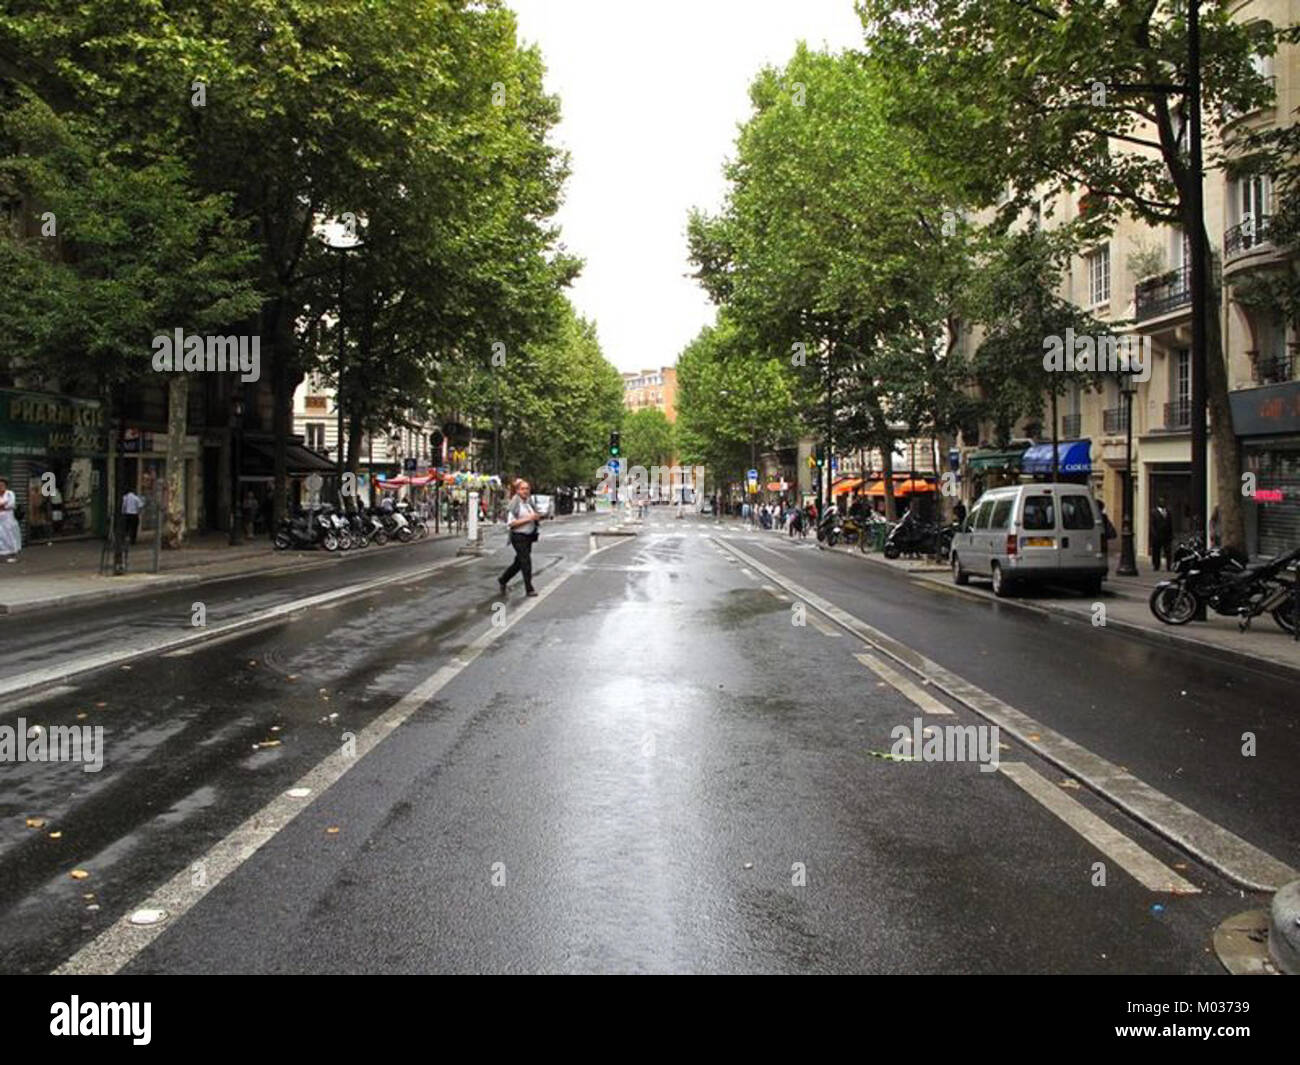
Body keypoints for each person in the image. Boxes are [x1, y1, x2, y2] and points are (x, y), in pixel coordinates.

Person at [498, 479, 544, 597]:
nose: (525, 491)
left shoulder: (529, 502)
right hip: (518, 536)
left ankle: (503, 579)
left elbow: (536, 514)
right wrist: (529, 519)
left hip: (529, 536)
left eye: (527, 488)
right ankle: (529, 588)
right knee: (526, 562)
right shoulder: (514, 503)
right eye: (522, 489)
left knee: (519, 563)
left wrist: (537, 517)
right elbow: (511, 523)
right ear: (517, 490)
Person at [0, 476, 22, 562]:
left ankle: (13, 554)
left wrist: (3, 506)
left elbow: (11, 504)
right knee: (1, 536)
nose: (1, 487)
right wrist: (3, 504)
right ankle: (3, 555)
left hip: (8, 519)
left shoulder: (10, 493)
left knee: (10, 536)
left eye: (2, 485)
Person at [1149, 497, 1174, 571]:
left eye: (1164, 502)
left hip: (1167, 536)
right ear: (1158, 503)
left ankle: (1168, 566)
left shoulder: (1168, 512)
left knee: (1168, 552)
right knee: (1156, 552)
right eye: (1161, 502)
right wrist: (1154, 534)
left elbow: (1170, 524)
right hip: (1157, 535)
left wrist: (1171, 534)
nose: (1163, 503)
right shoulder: (1154, 512)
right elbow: (1152, 524)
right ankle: (1156, 566)